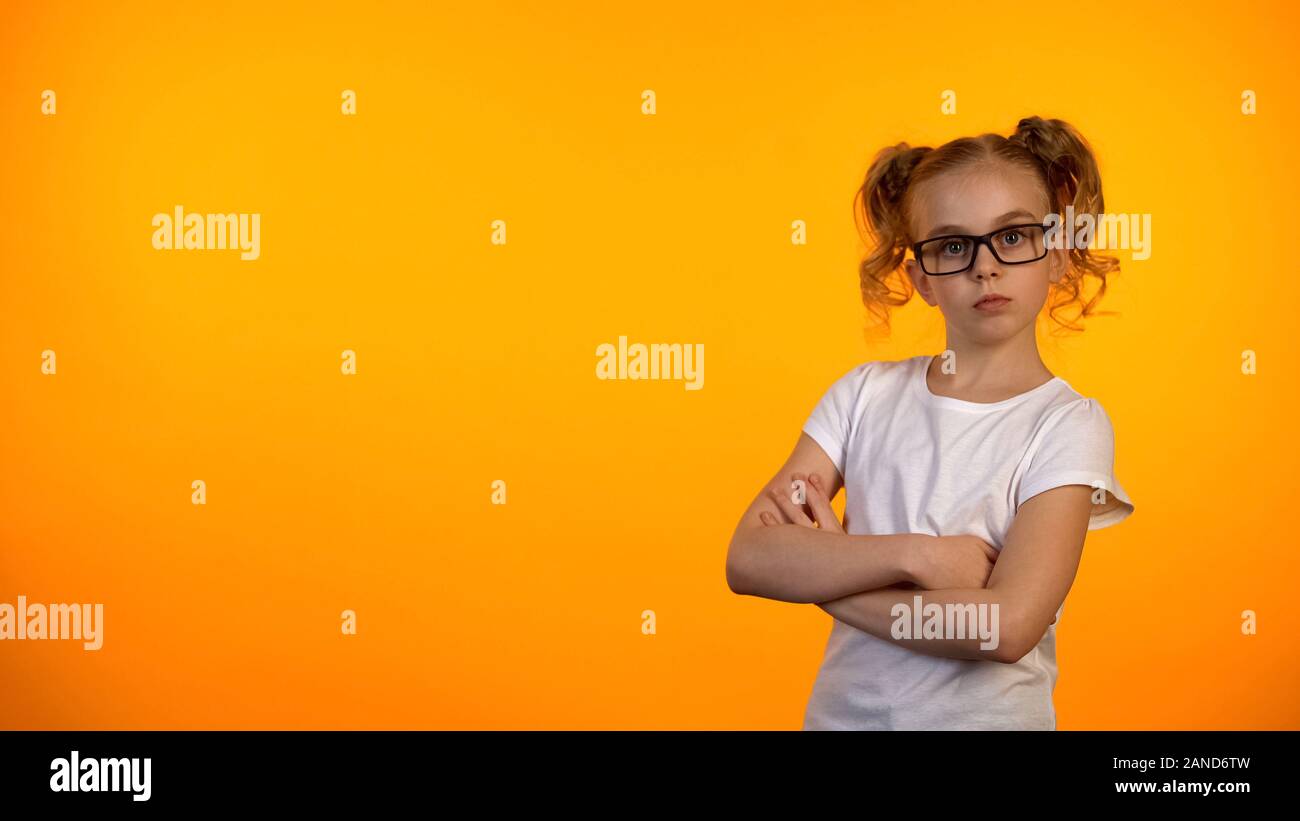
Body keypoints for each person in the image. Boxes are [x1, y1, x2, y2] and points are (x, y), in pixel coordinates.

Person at [725, 116, 1135, 730]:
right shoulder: (862, 397)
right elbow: (750, 558)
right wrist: (919, 557)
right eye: (952, 246)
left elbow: (1006, 627)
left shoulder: (1067, 423)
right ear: (921, 280)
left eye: (1014, 237)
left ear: (1056, 255)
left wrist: (830, 571)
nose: (985, 267)